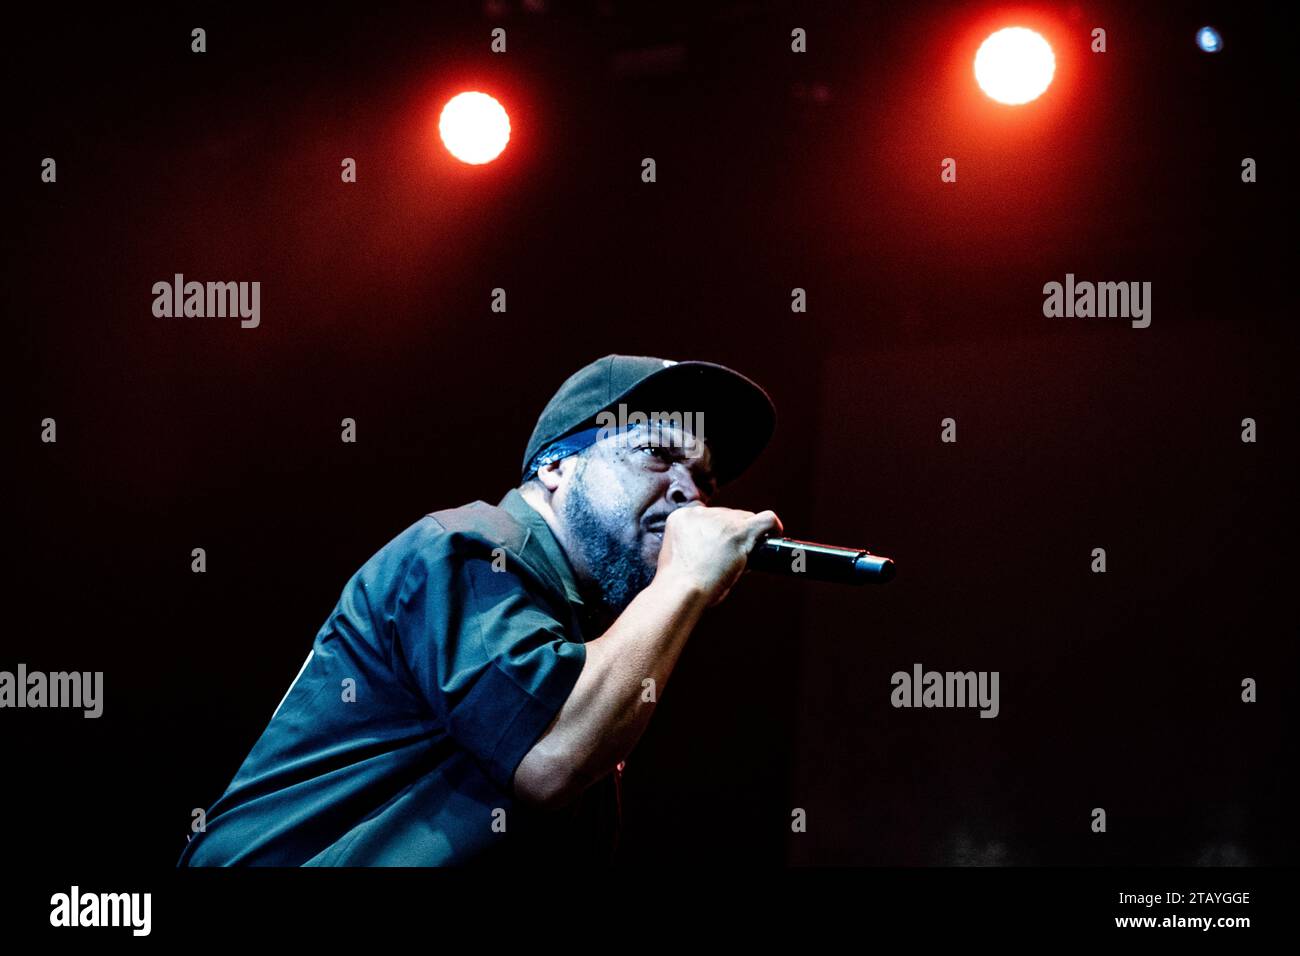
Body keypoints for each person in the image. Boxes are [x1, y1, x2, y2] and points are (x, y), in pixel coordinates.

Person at [177, 354, 781, 866]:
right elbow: (550, 759)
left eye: (705, 480)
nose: (689, 493)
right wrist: (682, 582)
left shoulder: (584, 630)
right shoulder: (471, 547)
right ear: (556, 465)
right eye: (656, 454)